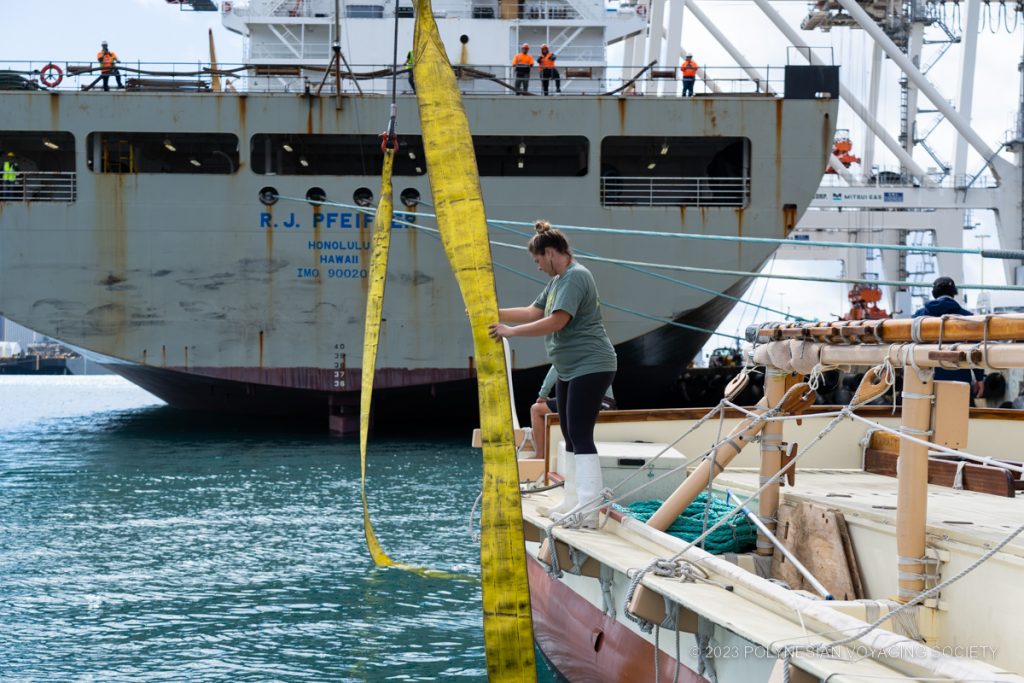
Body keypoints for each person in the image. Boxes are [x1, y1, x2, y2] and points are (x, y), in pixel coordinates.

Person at [489, 221, 617, 527]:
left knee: (581, 433)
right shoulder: (557, 281)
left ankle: (587, 509)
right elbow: (534, 311)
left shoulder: (575, 277)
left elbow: (557, 321)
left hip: (592, 364)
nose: (537, 267)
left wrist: (512, 332)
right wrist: (492, 311)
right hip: (571, 368)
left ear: (549, 253)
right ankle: (573, 500)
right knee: (571, 434)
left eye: (537, 261)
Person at [912, 276, 983, 402]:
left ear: (934, 293)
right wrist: (979, 378)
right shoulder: (967, 317)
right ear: (954, 293)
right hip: (959, 378)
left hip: (924, 378)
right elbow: (976, 349)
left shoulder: (918, 316)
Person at [531, 365, 615, 462]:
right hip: (608, 403)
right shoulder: (596, 354)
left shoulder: (571, 352)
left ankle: (540, 456)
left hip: (593, 401)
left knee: (536, 409)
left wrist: (543, 395)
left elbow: (556, 367)